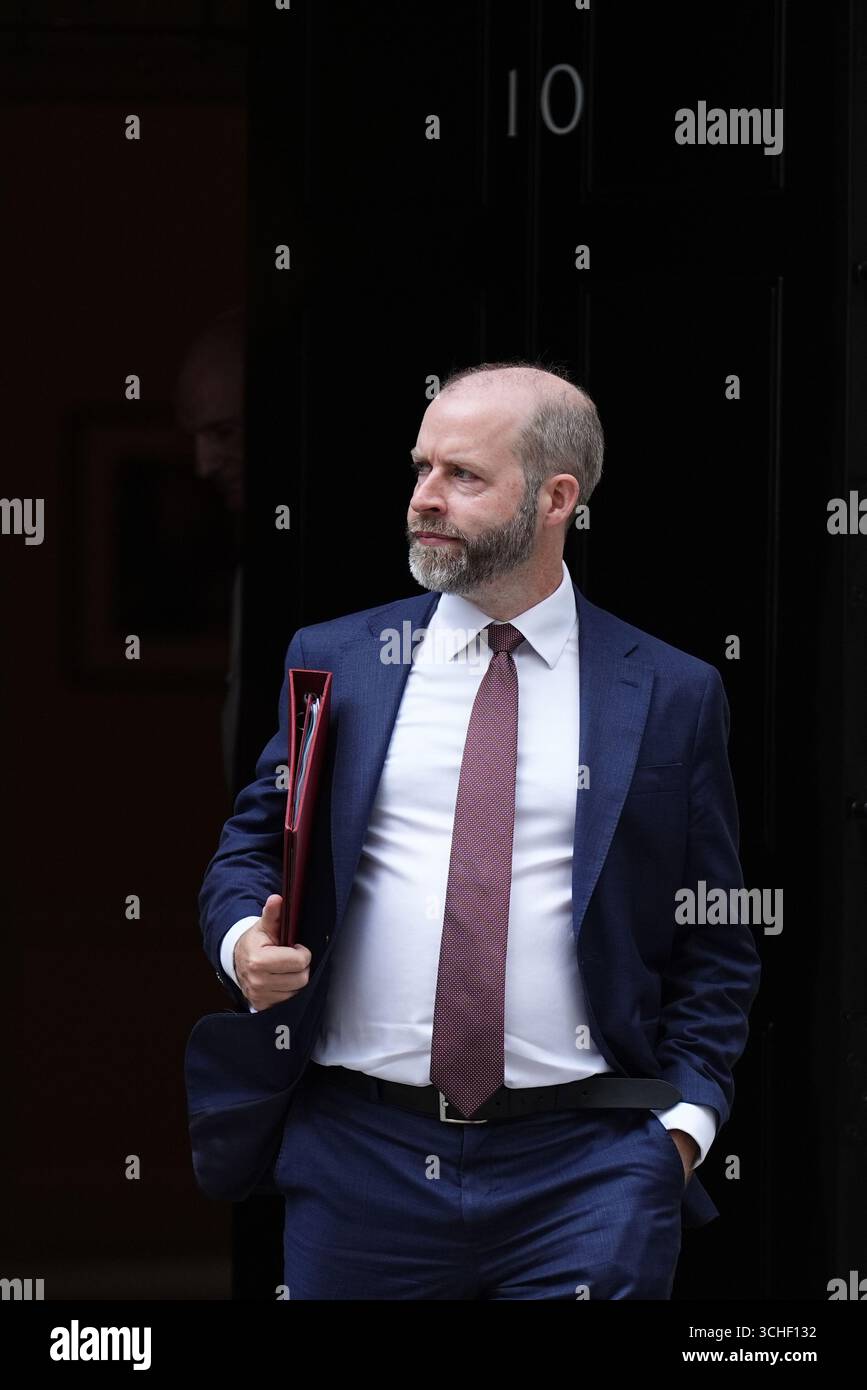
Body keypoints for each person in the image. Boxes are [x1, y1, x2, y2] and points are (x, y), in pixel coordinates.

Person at [196, 362, 762, 1299]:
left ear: (555, 498)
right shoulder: (339, 660)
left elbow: (717, 934)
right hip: (358, 1155)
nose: (424, 498)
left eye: (462, 476)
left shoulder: (669, 691)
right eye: (419, 469)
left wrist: (684, 1129)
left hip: (589, 1166)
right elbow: (251, 844)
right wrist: (243, 941)